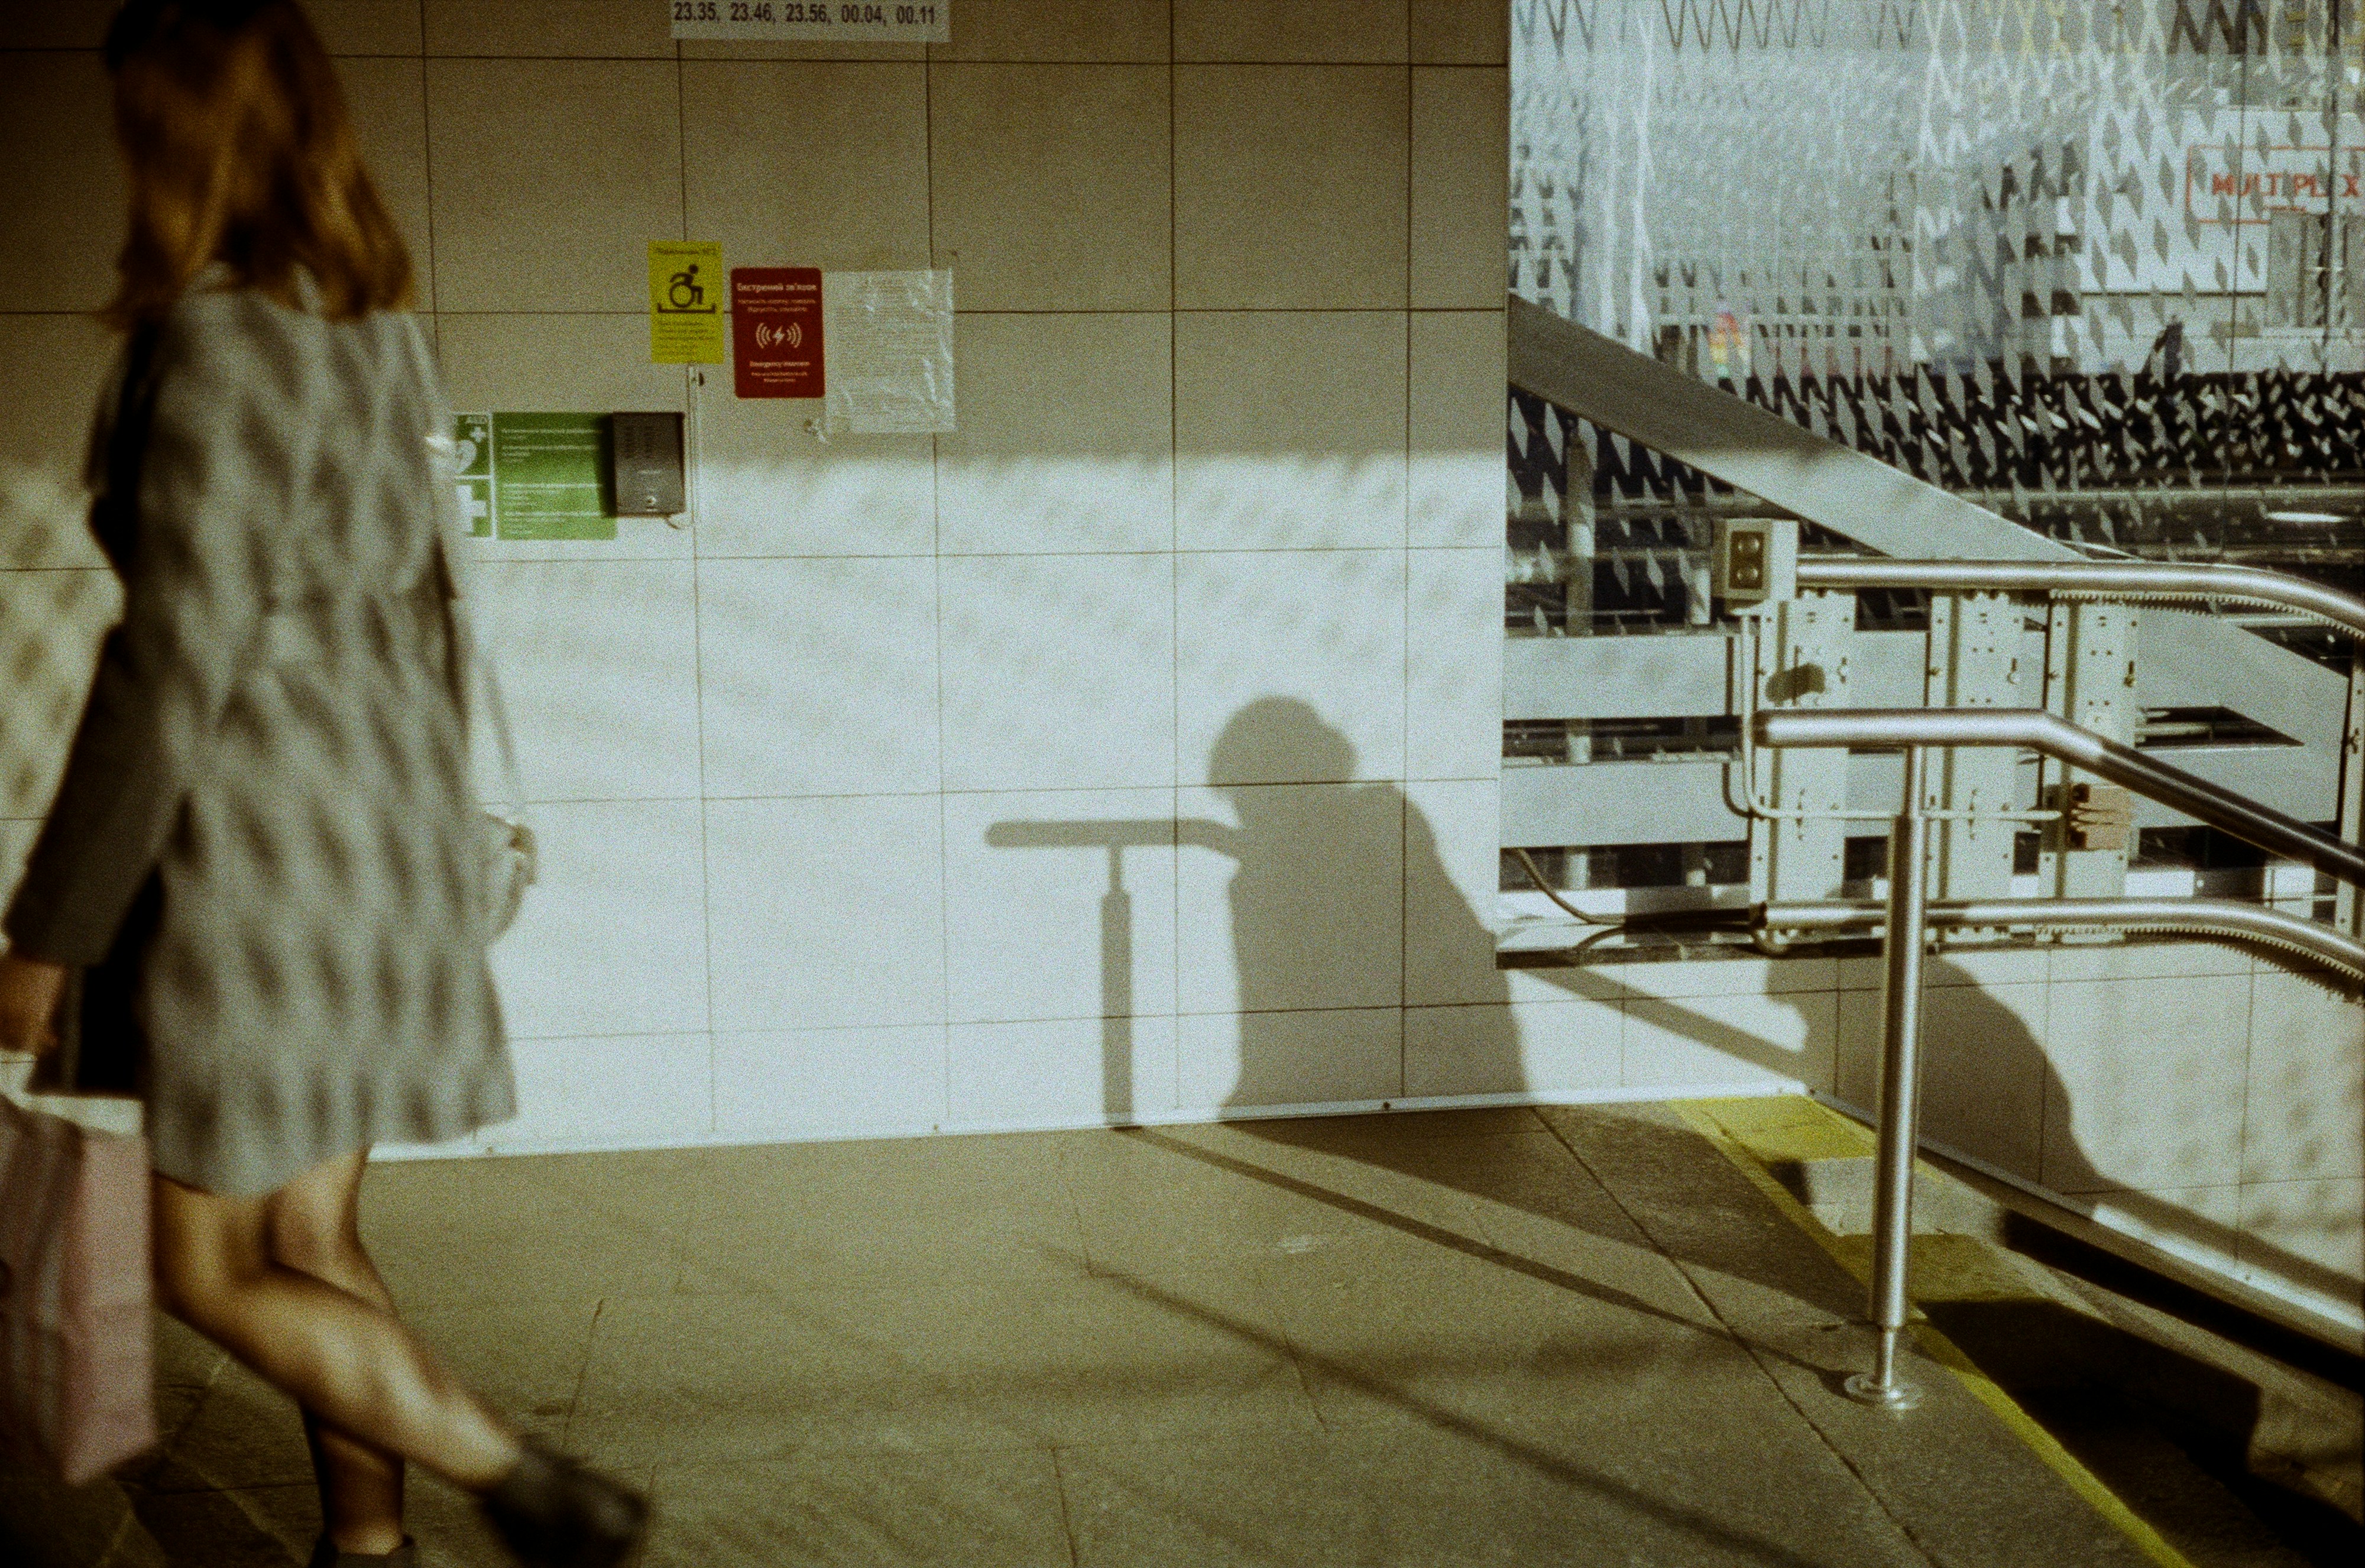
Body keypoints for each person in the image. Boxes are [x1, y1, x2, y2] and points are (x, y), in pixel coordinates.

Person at [0, 5, 646, 1564]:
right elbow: (427, 605)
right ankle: (372, 1547)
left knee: (210, 1262)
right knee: (314, 1235)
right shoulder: (375, 331)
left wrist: (47, 930)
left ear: (180, 134)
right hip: (376, 842)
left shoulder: (214, 340)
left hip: (256, 867)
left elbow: (172, 665)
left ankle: (511, 1476)